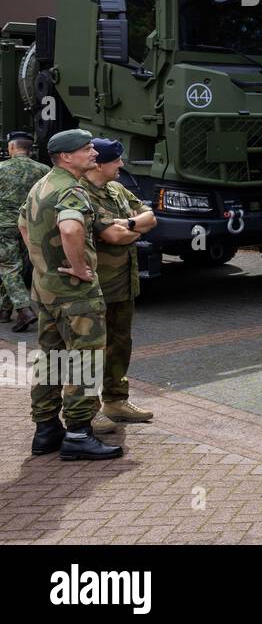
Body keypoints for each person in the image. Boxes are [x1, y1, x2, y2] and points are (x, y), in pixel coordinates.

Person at [21, 128, 121, 460]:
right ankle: (78, 433)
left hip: (46, 290)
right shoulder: (71, 191)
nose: (94, 153)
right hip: (75, 293)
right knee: (86, 359)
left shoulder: (41, 186)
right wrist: (78, 268)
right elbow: (70, 228)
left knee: (50, 359)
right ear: (67, 156)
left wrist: (43, 263)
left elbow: (23, 225)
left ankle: (46, 430)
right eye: (87, 149)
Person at [82, 137, 157, 426]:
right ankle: (88, 411)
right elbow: (112, 237)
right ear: (98, 164)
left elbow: (151, 217)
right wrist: (135, 228)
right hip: (95, 285)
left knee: (121, 344)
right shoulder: (83, 193)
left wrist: (128, 226)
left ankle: (116, 402)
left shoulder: (117, 189)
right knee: (90, 348)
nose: (122, 165)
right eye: (116, 160)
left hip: (124, 283)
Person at [0, 131, 49, 332]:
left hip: (4, 225)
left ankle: (24, 309)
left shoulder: (1, 168)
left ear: (12, 148)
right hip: (30, 225)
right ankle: (4, 310)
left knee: (8, 266)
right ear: (30, 150)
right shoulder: (44, 170)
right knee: (15, 267)